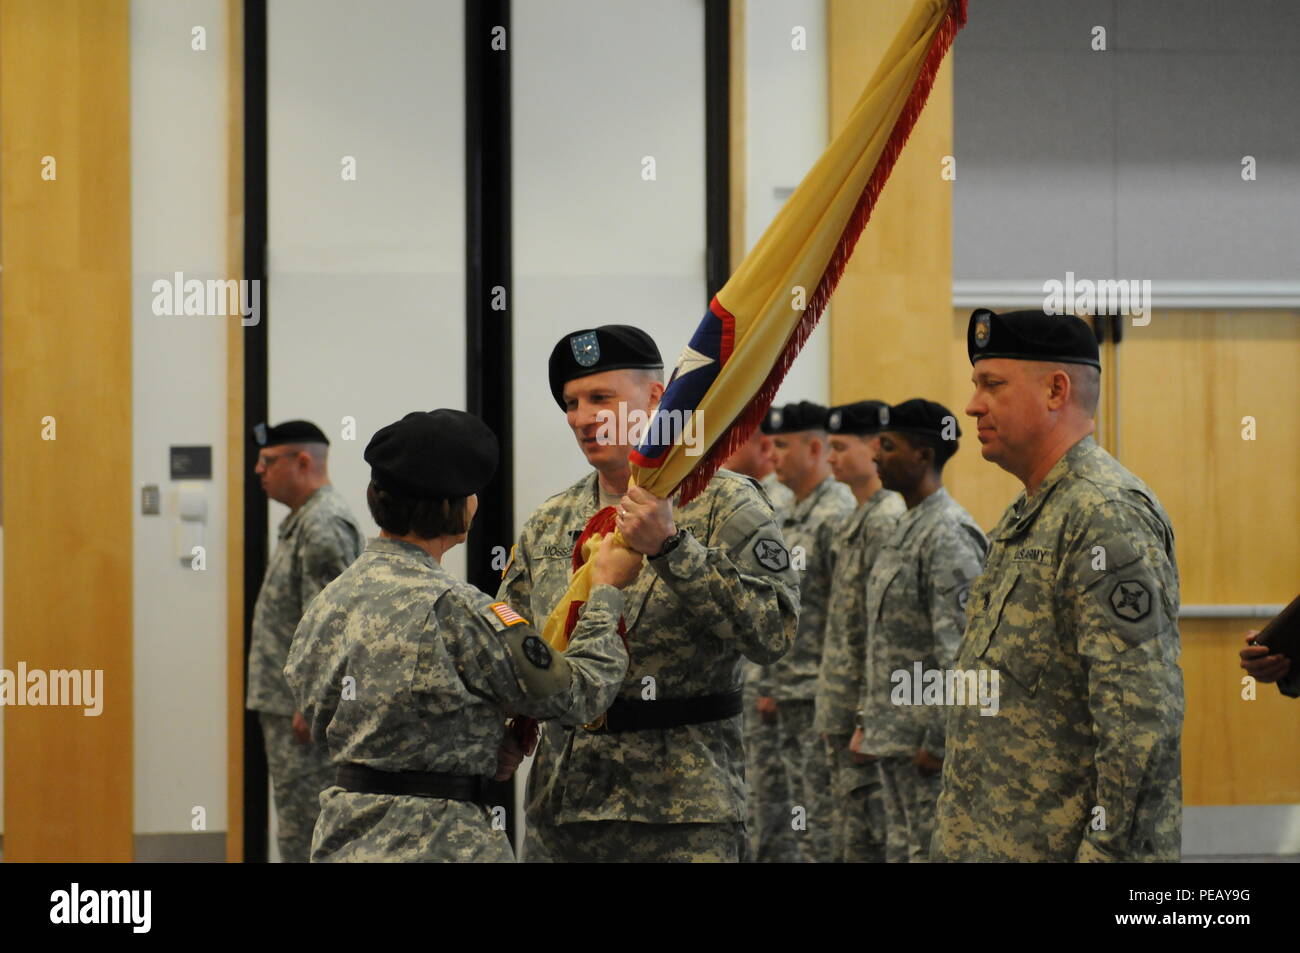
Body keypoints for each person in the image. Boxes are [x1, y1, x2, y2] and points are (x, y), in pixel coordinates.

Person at [499, 325, 800, 863]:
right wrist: (503, 724)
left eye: (600, 398)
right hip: (565, 808)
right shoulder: (551, 520)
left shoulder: (722, 503)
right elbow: (511, 632)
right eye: (571, 403)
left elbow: (773, 631)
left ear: (657, 398)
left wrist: (671, 548)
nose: (581, 418)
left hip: (681, 811)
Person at [284, 410, 639, 862]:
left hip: (343, 837)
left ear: (376, 497)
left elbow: (319, 710)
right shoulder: (462, 611)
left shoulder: (330, 602)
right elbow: (579, 695)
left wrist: (476, 742)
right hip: (442, 843)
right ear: (458, 506)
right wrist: (606, 592)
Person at [933, 308, 1184, 863]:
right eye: (976, 386)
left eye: (992, 385)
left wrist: (1105, 851)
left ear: (1056, 390)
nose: (973, 405)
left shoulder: (1104, 515)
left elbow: (1140, 716)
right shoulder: (1029, 513)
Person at [855, 399, 988, 863]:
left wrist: (939, 740)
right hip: (895, 736)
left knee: (930, 854)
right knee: (904, 851)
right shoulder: (906, 523)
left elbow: (962, 651)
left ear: (923, 456)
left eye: (888, 446)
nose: (875, 454)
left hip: (925, 747)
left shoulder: (948, 533)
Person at [245, 419, 363, 863]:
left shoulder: (323, 524)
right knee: (297, 827)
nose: (259, 469)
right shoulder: (304, 520)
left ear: (303, 461)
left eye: (267, 460)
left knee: (311, 833)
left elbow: (333, 624)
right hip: (286, 705)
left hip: (305, 716)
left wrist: (311, 700)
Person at [757, 401, 855, 862]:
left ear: (814, 448)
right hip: (791, 691)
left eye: (781, 444)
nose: (771, 454)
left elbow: (847, 612)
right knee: (799, 821)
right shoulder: (788, 509)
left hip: (821, 693)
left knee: (824, 824)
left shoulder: (836, 514)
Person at [815, 400, 904, 863]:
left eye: (840, 448)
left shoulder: (886, 519)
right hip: (841, 709)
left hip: (861, 719)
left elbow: (885, 631)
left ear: (874, 448)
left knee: (871, 841)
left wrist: (869, 717)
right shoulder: (858, 516)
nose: (831, 458)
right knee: (847, 840)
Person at [724, 428, 797, 863]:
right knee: (769, 812)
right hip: (769, 687)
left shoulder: (769, 507)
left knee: (801, 819)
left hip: (800, 690)